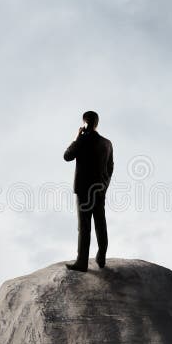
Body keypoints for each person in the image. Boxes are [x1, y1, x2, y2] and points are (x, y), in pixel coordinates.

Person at [63, 110, 114, 271]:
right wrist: (104, 185)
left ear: (85, 123)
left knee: (84, 226)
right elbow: (110, 167)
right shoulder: (107, 143)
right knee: (100, 223)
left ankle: (82, 262)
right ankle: (101, 256)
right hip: (99, 189)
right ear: (96, 123)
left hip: (84, 190)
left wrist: (77, 137)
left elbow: (67, 155)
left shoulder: (82, 140)